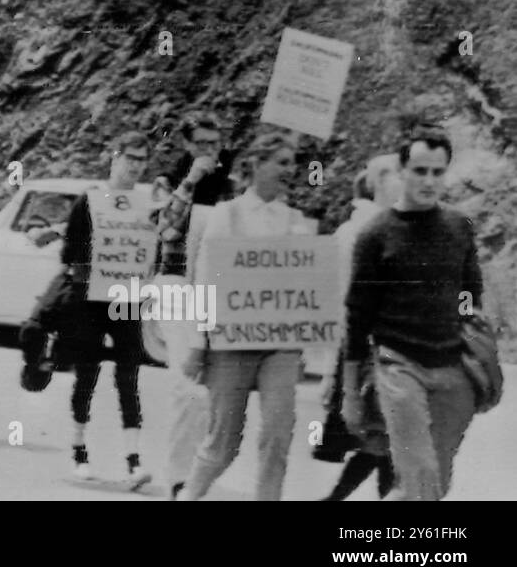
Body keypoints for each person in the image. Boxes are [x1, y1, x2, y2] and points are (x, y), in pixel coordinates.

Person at [343, 126, 483, 501]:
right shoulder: (376, 234)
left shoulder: (458, 226)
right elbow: (357, 318)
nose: (429, 181)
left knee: (434, 482)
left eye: (438, 172)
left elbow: (471, 293)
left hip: (452, 368)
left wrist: (470, 335)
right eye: (420, 171)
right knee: (420, 473)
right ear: (402, 171)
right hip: (398, 366)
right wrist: (350, 392)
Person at [178, 131, 316, 501]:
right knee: (223, 441)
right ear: (256, 164)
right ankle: (189, 495)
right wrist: (198, 343)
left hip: (279, 345)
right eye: (282, 162)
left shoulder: (295, 222)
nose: (290, 170)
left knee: (278, 433)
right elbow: (206, 279)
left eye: (293, 164)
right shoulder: (227, 215)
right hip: (231, 342)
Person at [56, 131, 156, 487]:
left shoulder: (147, 203)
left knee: (129, 376)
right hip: (91, 298)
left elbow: (152, 251)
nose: (135, 166)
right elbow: (69, 252)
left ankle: (133, 461)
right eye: (130, 158)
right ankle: (79, 451)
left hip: (126, 298)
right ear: (115, 158)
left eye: (142, 160)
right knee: (87, 374)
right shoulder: (91, 199)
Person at [152, 112, 237, 499]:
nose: (208, 150)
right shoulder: (169, 181)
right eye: (201, 143)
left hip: (213, 283)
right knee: (188, 383)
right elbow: (164, 227)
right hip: (175, 281)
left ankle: (178, 470)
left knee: (205, 387)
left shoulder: (228, 185)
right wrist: (191, 180)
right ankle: (176, 477)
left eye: (214, 144)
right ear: (187, 145)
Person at [319, 154, 402, 500]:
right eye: (401, 174)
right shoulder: (358, 231)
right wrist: (330, 370)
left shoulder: (400, 226)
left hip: (392, 347)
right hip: (367, 349)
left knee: (385, 442)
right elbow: (343, 298)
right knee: (385, 441)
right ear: (380, 182)